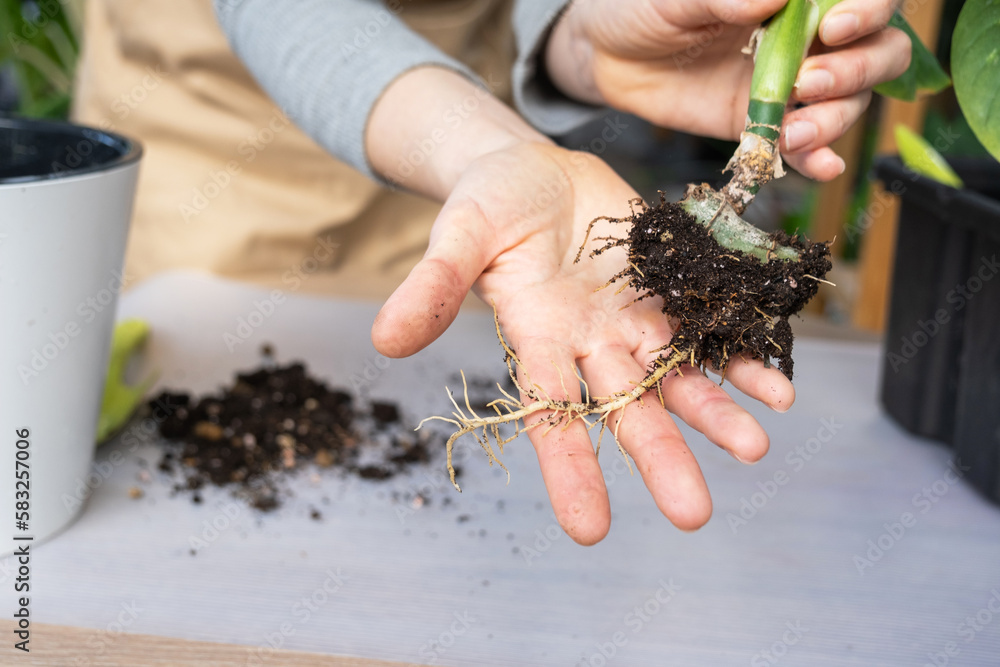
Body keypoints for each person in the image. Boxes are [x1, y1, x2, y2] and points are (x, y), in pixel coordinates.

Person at [74, 0, 910, 545]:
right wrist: (492, 149)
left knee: (425, 481)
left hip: (502, 209)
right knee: (199, 499)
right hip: (213, 169)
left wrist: (578, 40)